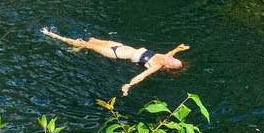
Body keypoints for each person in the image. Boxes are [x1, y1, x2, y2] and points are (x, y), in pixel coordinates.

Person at [41, 28, 188, 95]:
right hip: (119, 45)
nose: (173, 59)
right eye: (175, 59)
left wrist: (129, 85)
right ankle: (76, 48)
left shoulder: (157, 65)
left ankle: (52, 35)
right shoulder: (165, 56)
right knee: (91, 39)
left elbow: (142, 76)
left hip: (115, 53)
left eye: (174, 63)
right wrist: (179, 49)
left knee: (85, 44)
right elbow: (171, 53)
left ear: (168, 67)